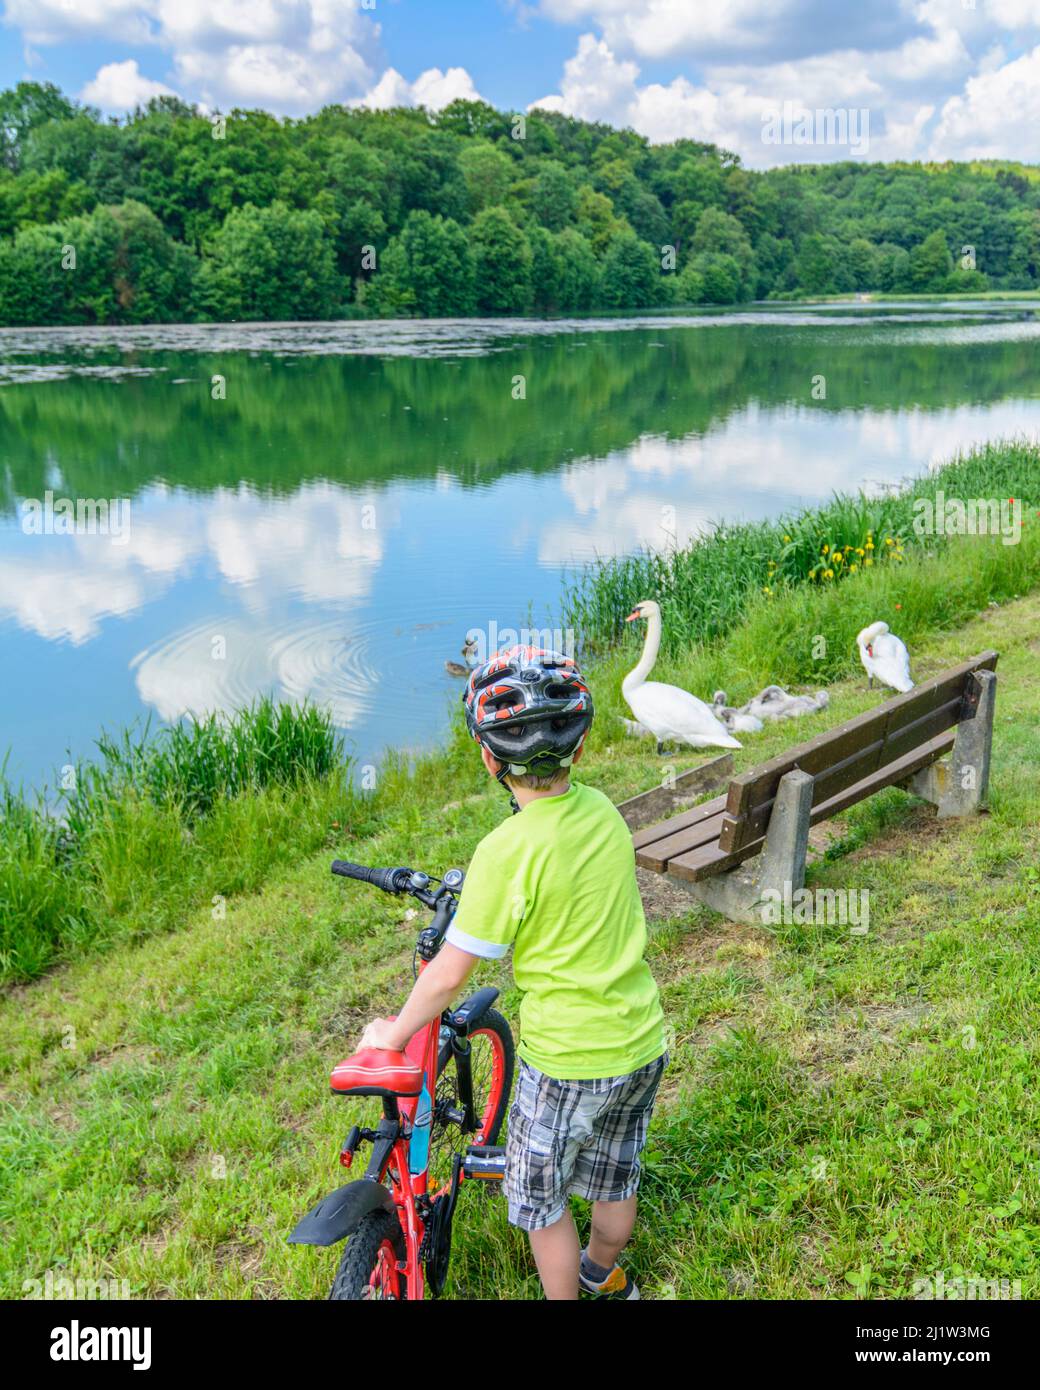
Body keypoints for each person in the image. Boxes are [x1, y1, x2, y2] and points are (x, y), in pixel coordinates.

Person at [358, 645, 668, 1300]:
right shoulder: (606, 814)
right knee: (616, 1178)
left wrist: (390, 1035)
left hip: (568, 1061)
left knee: (540, 1201)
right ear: (580, 750)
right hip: (641, 1042)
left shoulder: (504, 852)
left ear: (487, 757)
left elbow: (446, 977)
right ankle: (603, 1271)